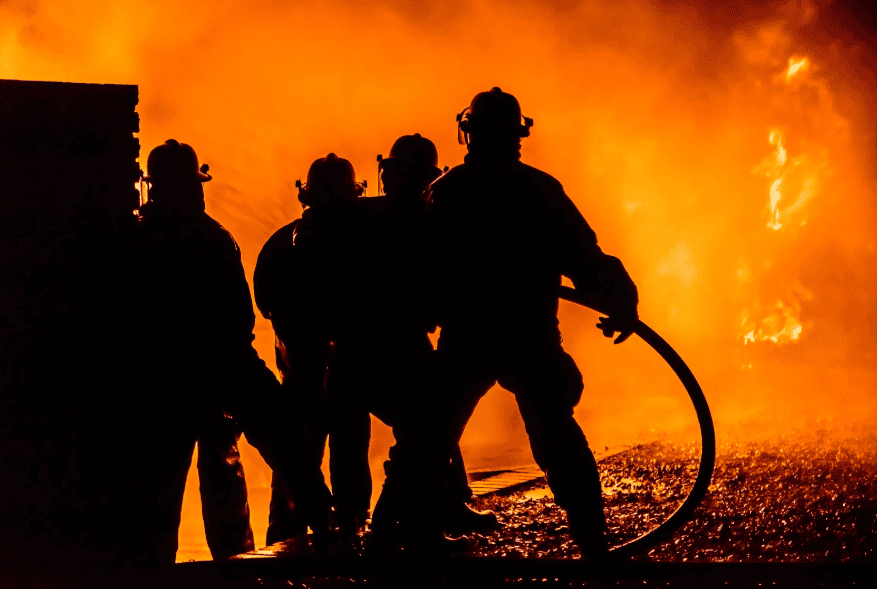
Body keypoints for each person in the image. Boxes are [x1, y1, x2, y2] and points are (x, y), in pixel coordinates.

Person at [425, 88, 639, 558]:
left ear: (468, 133)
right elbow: (587, 260)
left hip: (469, 338)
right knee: (557, 437)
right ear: (517, 134)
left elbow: (418, 274)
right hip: (528, 335)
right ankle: (594, 547)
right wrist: (620, 297)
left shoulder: (446, 195)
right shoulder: (540, 191)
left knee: (427, 442)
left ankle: (394, 547)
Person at [123, 139, 333, 566]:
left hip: (169, 373)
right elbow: (240, 316)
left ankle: (156, 563)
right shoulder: (214, 237)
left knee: (163, 481)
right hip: (223, 363)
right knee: (286, 443)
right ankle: (322, 527)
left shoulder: (138, 240)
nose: (200, 193)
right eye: (195, 185)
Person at [253, 153, 366, 542]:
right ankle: (349, 528)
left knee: (295, 463)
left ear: (306, 195)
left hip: (300, 372)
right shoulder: (366, 243)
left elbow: (264, 304)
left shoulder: (280, 244)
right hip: (350, 371)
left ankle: (285, 541)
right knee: (348, 450)